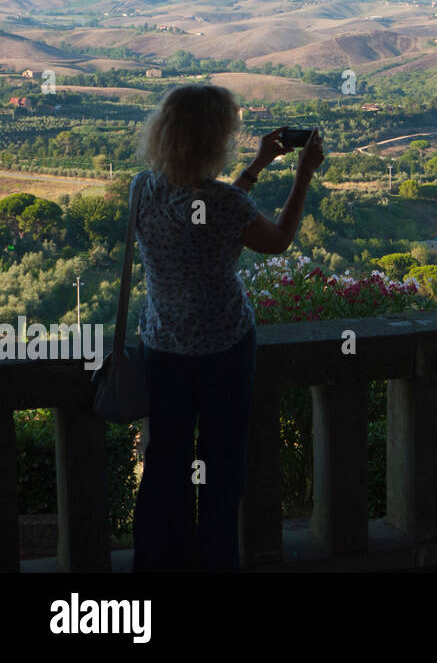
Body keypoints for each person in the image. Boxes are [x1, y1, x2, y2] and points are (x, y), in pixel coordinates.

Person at [130, 83, 323, 572]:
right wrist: (301, 175)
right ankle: (216, 563)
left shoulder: (142, 189)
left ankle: (157, 565)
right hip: (223, 351)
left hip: (164, 347)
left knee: (165, 466)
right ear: (214, 140)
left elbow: (206, 215)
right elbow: (277, 240)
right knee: (221, 469)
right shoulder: (224, 206)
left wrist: (258, 167)